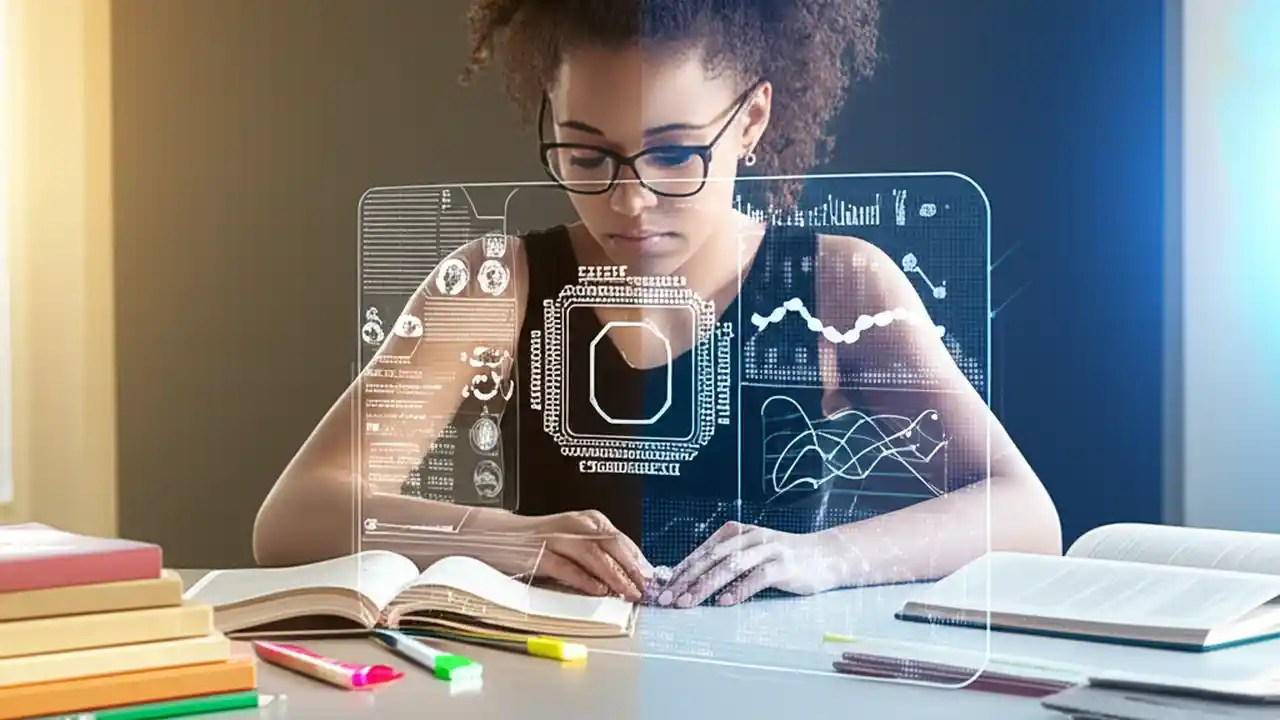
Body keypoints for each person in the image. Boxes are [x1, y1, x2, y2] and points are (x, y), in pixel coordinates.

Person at [253, 0, 1062, 608]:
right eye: (585, 153)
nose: (630, 203)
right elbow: (294, 517)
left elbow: (1025, 513)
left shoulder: (839, 284)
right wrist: (511, 543)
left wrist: (824, 557)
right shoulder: (497, 287)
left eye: (675, 155)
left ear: (751, 121)